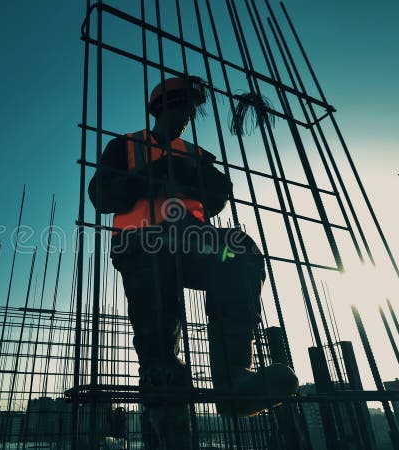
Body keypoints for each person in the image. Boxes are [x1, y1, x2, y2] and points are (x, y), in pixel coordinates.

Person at [88, 75, 299, 449]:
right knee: (158, 329)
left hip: (191, 243)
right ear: (160, 108)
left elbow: (218, 194)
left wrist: (187, 176)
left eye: (190, 110)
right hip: (143, 245)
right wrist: (155, 176)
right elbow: (102, 196)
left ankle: (233, 377)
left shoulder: (194, 155)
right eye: (181, 107)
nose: (186, 116)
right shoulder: (125, 147)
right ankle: (169, 418)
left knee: (238, 250)